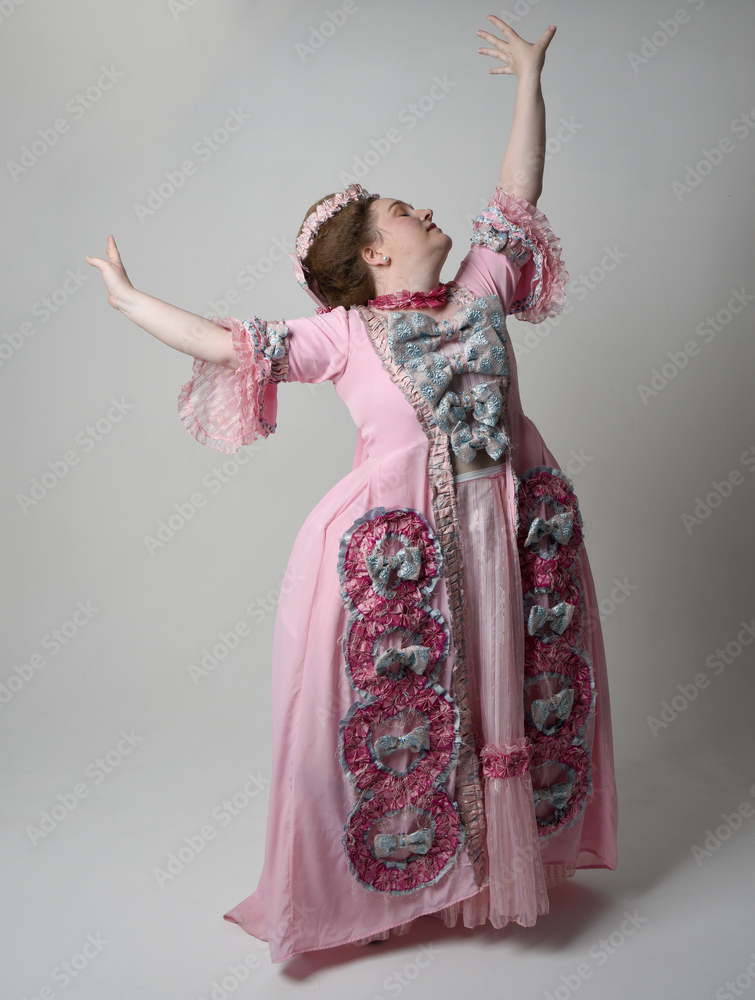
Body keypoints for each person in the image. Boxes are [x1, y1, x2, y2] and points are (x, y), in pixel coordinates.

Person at [87, 14, 617, 964]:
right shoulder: (346, 336)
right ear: (372, 256)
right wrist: (132, 303)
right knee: (412, 713)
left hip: (509, 528)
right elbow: (227, 342)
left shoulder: (482, 288)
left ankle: (503, 864)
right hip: (412, 550)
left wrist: (528, 81)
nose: (425, 214)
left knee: (520, 692)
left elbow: (516, 192)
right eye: (404, 213)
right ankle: (398, 878)